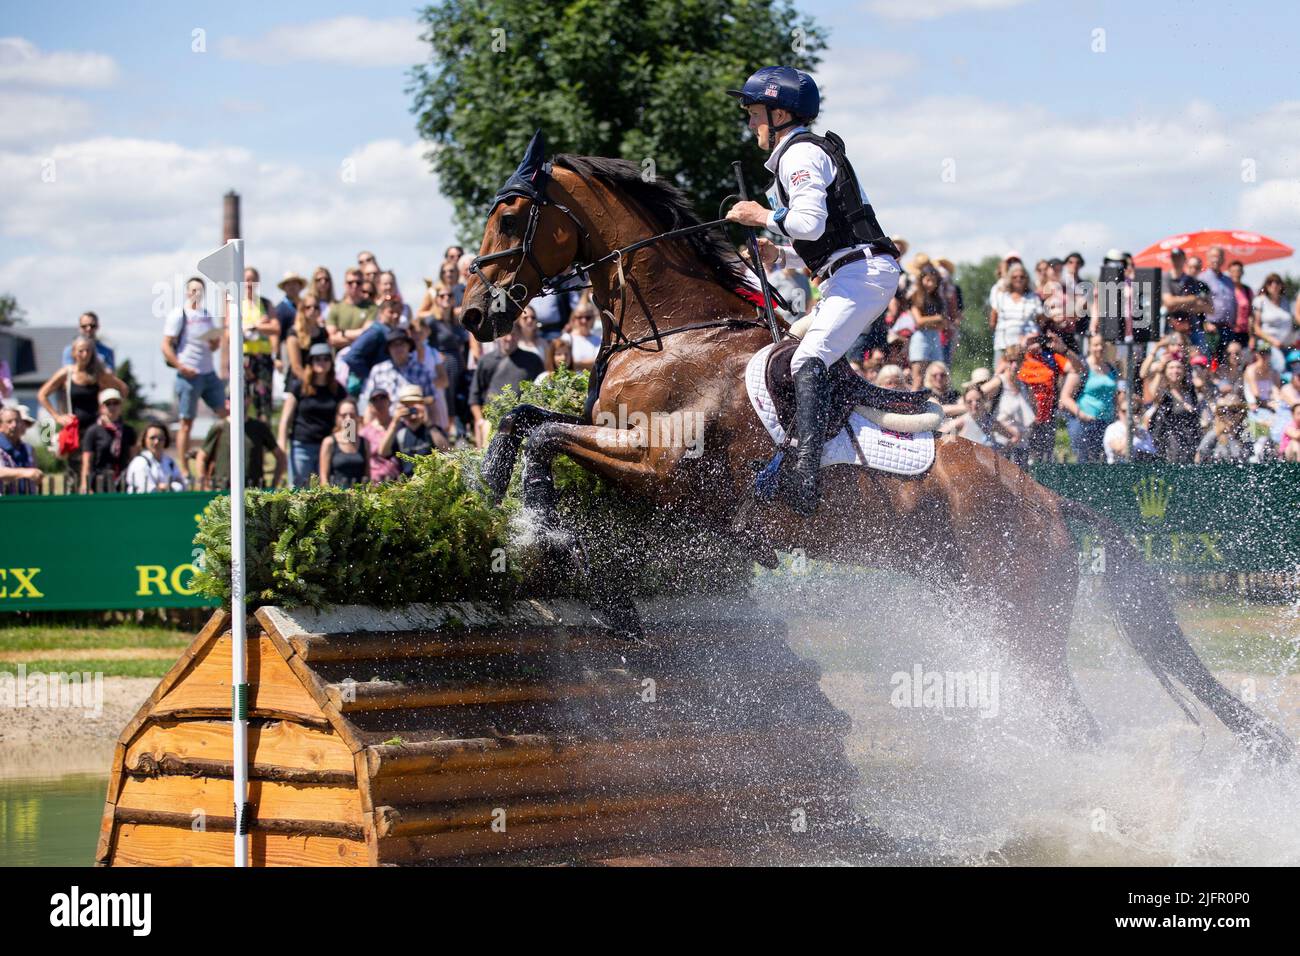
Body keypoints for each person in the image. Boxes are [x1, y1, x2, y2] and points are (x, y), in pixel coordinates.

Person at [724, 65, 902, 515]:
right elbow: (820, 239)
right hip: (847, 271)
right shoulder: (796, 154)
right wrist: (778, 258)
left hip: (861, 275)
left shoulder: (798, 155)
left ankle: (804, 474)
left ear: (780, 113)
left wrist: (758, 215)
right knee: (787, 351)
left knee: (807, 359)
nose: (750, 121)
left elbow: (808, 222)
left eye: (754, 112)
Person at [38, 334, 129, 487]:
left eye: (88, 351)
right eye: (81, 351)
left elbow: (123, 389)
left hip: (95, 430)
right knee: (75, 471)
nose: (85, 355)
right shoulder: (67, 373)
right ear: (74, 353)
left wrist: (111, 409)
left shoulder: (98, 374)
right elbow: (42, 394)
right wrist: (57, 417)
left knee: (94, 468)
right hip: (75, 431)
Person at [161, 275, 226, 474]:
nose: (197, 293)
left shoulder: (207, 314)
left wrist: (215, 343)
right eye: (193, 289)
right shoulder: (178, 314)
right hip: (189, 373)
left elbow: (212, 347)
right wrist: (181, 366)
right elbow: (165, 345)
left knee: (225, 415)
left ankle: (215, 457)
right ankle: (184, 467)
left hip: (208, 373)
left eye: (200, 290)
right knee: (186, 422)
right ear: (187, 292)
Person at [279, 343, 346, 487]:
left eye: (326, 359)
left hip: (328, 446)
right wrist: (282, 445)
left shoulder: (338, 389)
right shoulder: (299, 386)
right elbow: (285, 419)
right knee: (299, 491)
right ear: (310, 362)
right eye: (317, 359)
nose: (322, 362)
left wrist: (350, 441)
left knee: (325, 491)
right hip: (302, 445)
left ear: (331, 363)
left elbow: (349, 414)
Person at [469, 322, 545, 447]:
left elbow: (542, 391)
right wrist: (480, 421)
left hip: (523, 422)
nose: (509, 338)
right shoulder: (486, 361)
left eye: (513, 334)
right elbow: (474, 396)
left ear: (520, 335)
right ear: (498, 335)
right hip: (491, 422)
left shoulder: (532, 360)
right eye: (505, 334)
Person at [1017, 328, 1082, 464]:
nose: (1034, 343)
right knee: (1020, 461)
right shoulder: (1017, 360)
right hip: (1023, 419)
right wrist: (1021, 347)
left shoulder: (1051, 358)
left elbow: (1078, 368)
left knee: (1043, 460)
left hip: (1046, 419)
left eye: (1037, 339)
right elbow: (1003, 371)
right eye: (1030, 340)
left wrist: (1063, 349)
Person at [196, 396, 286, 490]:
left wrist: (273, 486)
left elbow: (280, 457)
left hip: (253, 491)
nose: (238, 401)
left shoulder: (259, 428)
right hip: (222, 490)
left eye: (243, 397)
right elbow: (201, 458)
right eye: (231, 398)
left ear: (248, 400)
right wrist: (206, 487)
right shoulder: (220, 427)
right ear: (227, 403)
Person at [1060, 335, 1120, 463]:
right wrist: (1081, 414)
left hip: (1106, 422)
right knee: (1084, 461)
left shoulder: (1111, 368)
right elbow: (1065, 397)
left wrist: (1118, 414)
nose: (1099, 348)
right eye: (1096, 345)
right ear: (1089, 347)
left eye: (1102, 345)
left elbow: (1115, 395)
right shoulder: (1082, 367)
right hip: (1083, 423)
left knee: (1103, 461)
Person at [360, 324, 438, 414]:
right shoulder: (378, 371)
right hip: (386, 423)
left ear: (409, 346)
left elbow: (432, 400)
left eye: (401, 344)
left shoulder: (421, 370)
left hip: (414, 421)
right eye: (394, 345)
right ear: (388, 349)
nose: (398, 348)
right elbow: (367, 400)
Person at [235, 266, 279, 423]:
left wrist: (255, 326)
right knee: (242, 399)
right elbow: (229, 333)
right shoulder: (236, 304)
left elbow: (275, 328)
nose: (249, 283)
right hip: (244, 359)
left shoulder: (266, 304)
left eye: (253, 280)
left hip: (263, 359)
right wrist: (251, 327)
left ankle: (263, 438)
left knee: (264, 401)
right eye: (247, 280)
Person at [379, 385, 448, 476]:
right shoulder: (400, 433)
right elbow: (383, 452)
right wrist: (394, 422)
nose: (412, 408)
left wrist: (428, 423)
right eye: (407, 405)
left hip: (432, 481)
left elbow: (446, 451)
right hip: (409, 484)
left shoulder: (433, 429)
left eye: (415, 403)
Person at [80, 388, 136, 493]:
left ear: (121, 406)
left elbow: (133, 459)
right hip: (99, 482)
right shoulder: (93, 431)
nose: (112, 406)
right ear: (101, 407)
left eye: (116, 403)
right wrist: (85, 484)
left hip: (123, 481)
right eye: (108, 403)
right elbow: (87, 461)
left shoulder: (128, 431)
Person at [989, 263, 1044, 370]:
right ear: (1010, 278)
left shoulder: (1033, 297)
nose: (1018, 279)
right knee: (1000, 376)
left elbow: (1040, 320)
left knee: (1025, 378)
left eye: (1022, 277)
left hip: (1026, 347)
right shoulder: (1001, 296)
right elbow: (993, 320)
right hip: (1003, 344)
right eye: (1015, 277)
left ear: (1026, 279)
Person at [1147, 359, 1201, 463]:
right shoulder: (1163, 392)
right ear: (1165, 371)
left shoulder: (1189, 391)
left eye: (1179, 367)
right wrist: (1159, 372)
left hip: (1189, 439)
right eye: (1171, 368)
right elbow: (1153, 395)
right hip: (1169, 442)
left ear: (1184, 371)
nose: (1175, 371)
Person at [908, 266, 948, 388]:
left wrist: (930, 321)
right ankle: (913, 404)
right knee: (918, 376)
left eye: (934, 281)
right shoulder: (916, 297)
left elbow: (944, 324)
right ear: (922, 280)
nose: (931, 284)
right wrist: (936, 318)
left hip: (934, 336)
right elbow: (919, 321)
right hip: (920, 337)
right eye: (928, 280)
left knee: (936, 373)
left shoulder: (939, 300)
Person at [1251, 273, 1296, 375]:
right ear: (1266, 286)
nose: (1274, 285)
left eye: (1277, 282)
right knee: (1280, 365)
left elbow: (1291, 324)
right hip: (1268, 344)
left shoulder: (1285, 301)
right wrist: (1273, 341)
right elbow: (1256, 328)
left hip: (1286, 344)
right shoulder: (1260, 301)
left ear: (1281, 285)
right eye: (1270, 283)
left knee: (1296, 362)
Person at [284, 293, 329, 392]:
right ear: (302, 309)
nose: (312, 310)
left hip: (320, 383)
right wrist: (311, 383)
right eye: (308, 307)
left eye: (316, 307)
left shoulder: (323, 332)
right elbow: (296, 367)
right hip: (299, 384)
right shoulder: (293, 333)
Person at [319, 398, 369, 487]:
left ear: (358, 417)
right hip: (336, 495)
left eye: (352, 415)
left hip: (359, 495)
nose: (348, 418)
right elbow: (323, 477)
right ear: (337, 418)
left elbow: (367, 475)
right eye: (344, 415)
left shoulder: (364, 442)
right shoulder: (329, 442)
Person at [125, 422, 185, 493]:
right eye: (152, 438)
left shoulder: (170, 462)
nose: (156, 442)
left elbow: (182, 485)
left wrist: (165, 487)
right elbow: (150, 490)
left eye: (161, 438)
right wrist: (168, 487)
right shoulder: (139, 462)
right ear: (144, 439)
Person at [326, 268, 377, 350]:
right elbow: (332, 339)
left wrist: (343, 333)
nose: (354, 285)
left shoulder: (372, 308)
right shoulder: (336, 307)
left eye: (358, 283)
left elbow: (368, 334)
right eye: (350, 283)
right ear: (344, 285)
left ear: (363, 284)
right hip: (338, 358)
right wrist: (359, 338)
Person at [359, 388, 401, 482]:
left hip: (398, 481)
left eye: (383, 398)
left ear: (389, 402)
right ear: (370, 406)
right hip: (375, 483)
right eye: (374, 400)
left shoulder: (400, 425)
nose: (379, 402)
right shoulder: (365, 432)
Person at [0, 406, 41, 495]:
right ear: (1, 426)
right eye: (9, 421)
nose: (14, 425)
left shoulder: (29, 449)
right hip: (4, 504)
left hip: (26, 502)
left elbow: (35, 477)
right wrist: (24, 472)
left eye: (17, 421)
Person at [561, 303, 602, 371]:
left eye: (588, 317)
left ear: (593, 319)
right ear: (573, 319)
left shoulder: (599, 340)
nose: (584, 321)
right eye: (580, 317)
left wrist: (576, 363)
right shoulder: (566, 339)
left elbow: (600, 362)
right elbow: (562, 362)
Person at [274, 272, 307, 341]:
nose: (292, 287)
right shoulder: (279, 309)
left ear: (300, 286)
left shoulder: (308, 306)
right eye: (288, 284)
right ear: (284, 287)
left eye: (294, 283)